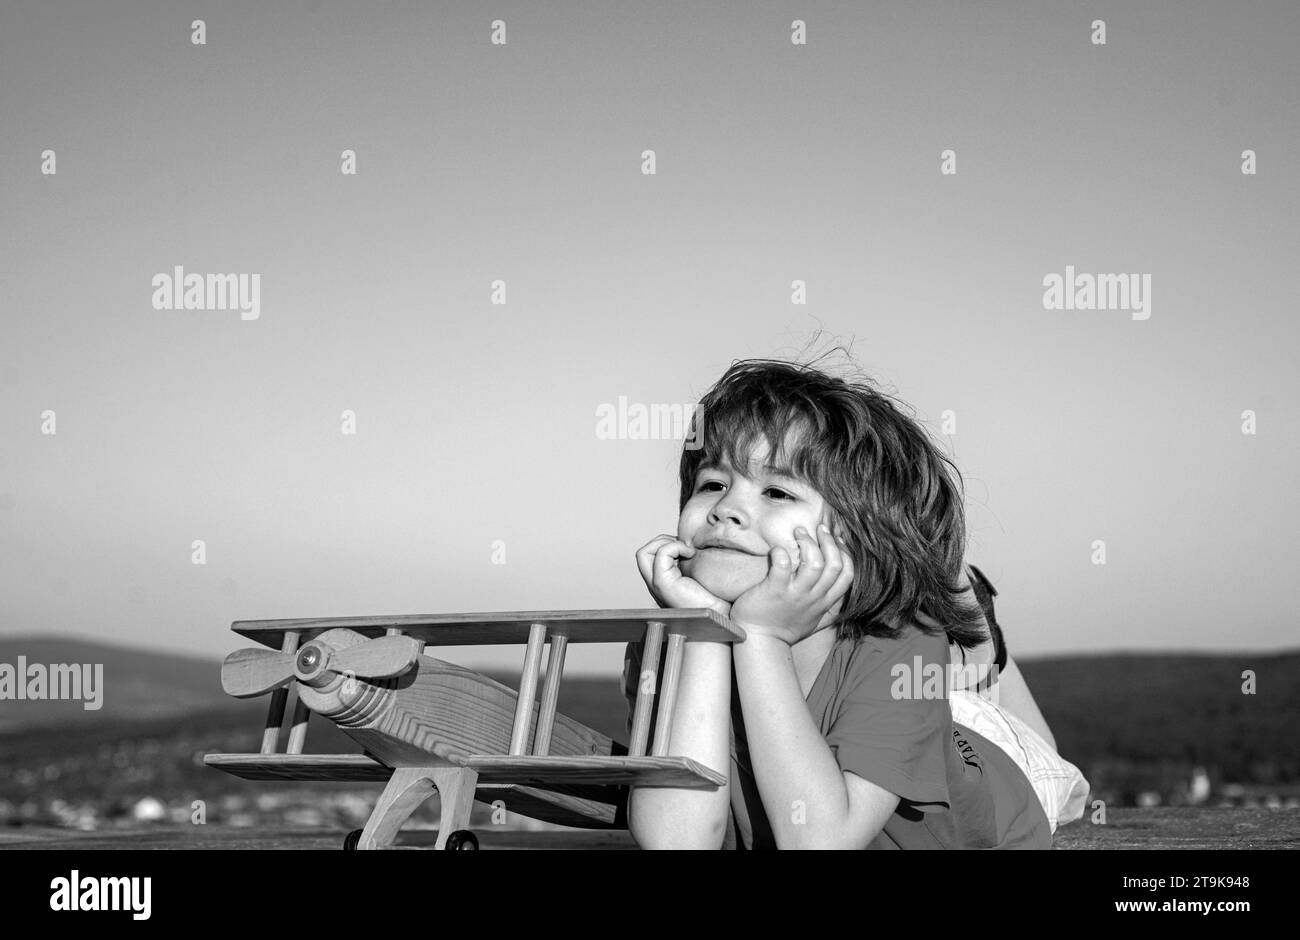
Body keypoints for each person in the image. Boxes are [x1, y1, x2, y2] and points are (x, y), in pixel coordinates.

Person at [622, 357, 1057, 848]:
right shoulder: (668, 645)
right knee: (942, 707)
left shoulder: (902, 643)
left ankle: (972, 628)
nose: (726, 509)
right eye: (713, 484)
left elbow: (821, 842)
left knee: (1017, 736)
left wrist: (763, 638)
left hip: (1003, 778)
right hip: (911, 724)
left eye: (777, 491)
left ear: (858, 538)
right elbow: (675, 842)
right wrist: (703, 633)